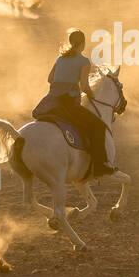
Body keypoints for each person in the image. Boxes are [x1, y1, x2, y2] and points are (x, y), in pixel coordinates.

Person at [31, 29, 114, 177]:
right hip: (69, 103)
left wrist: (63, 81)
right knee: (98, 126)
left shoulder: (60, 59)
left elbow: (50, 79)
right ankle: (100, 165)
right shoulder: (84, 61)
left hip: (51, 101)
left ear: (71, 42)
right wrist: (92, 95)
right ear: (82, 44)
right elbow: (84, 86)